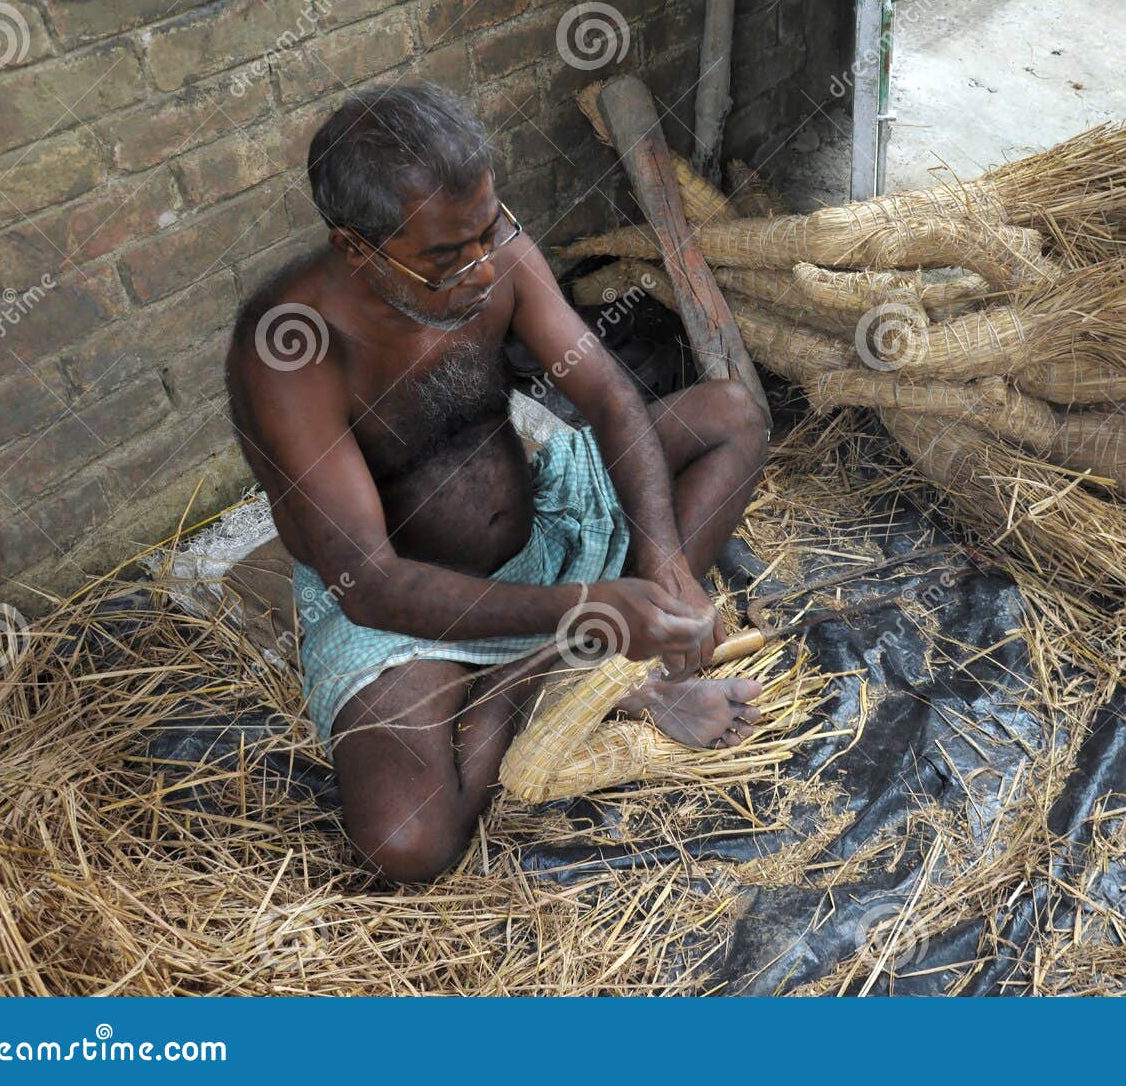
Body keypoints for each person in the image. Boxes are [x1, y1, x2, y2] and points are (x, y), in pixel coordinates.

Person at [225, 82, 770, 882]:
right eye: (446, 258)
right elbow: (371, 586)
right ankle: (558, 671)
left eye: (490, 231)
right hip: (411, 613)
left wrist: (662, 561)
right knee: (407, 841)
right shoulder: (291, 349)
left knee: (732, 416)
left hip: (544, 528)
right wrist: (585, 612)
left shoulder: (491, 249)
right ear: (355, 249)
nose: (483, 269)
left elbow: (612, 398)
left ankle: (587, 654)